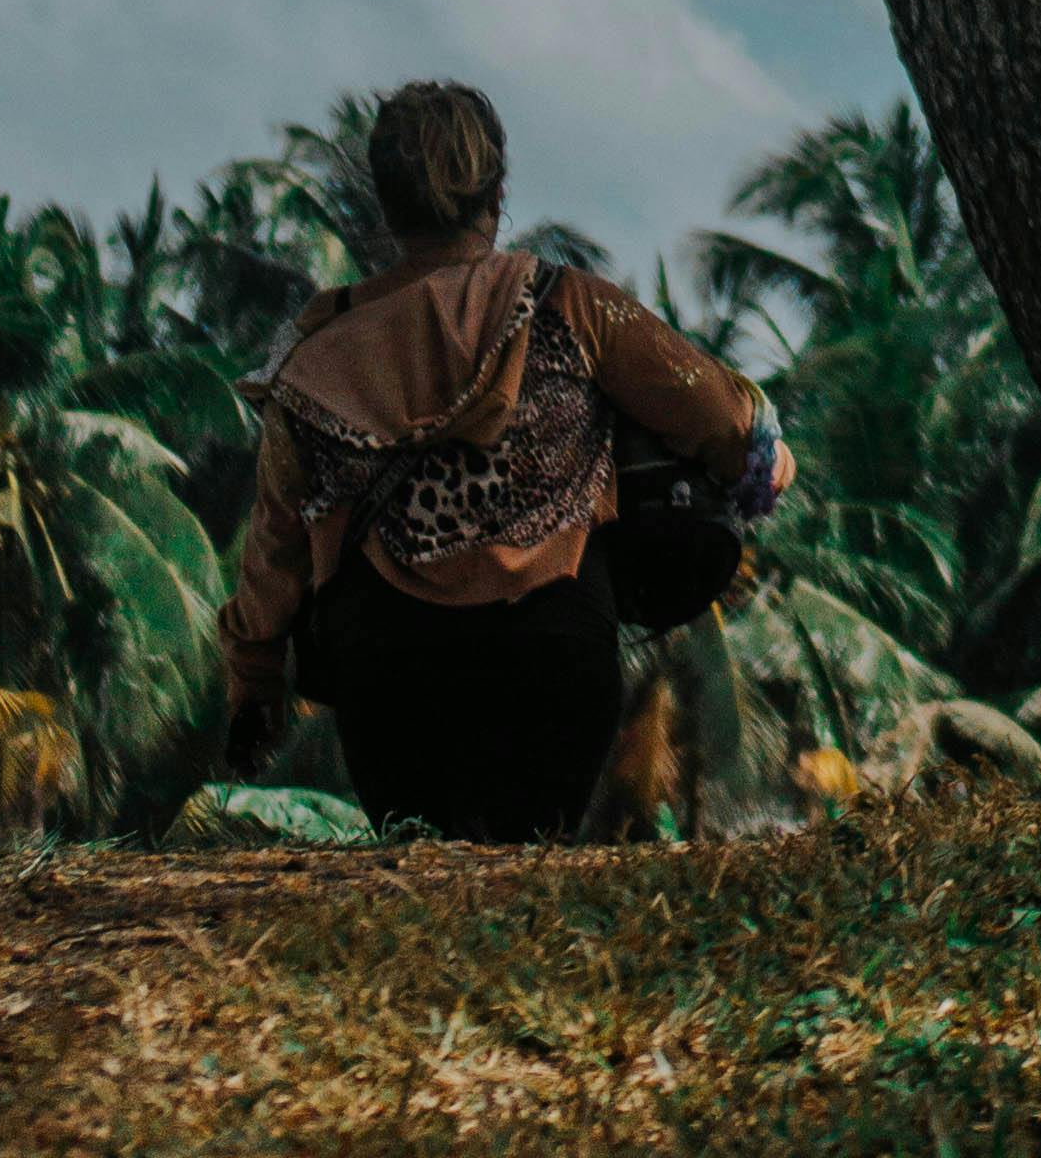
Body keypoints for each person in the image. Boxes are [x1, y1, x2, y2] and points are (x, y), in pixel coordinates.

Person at [216, 75, 789, 842]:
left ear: (386, 205)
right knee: (526, 868)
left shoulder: (314, 355)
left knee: (419, 872)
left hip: (386, 668)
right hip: (552, 653)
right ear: (497, 193)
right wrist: (762, 448)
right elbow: (719, 416)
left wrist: (254, 682)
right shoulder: (572, 305)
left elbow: (275, 549)